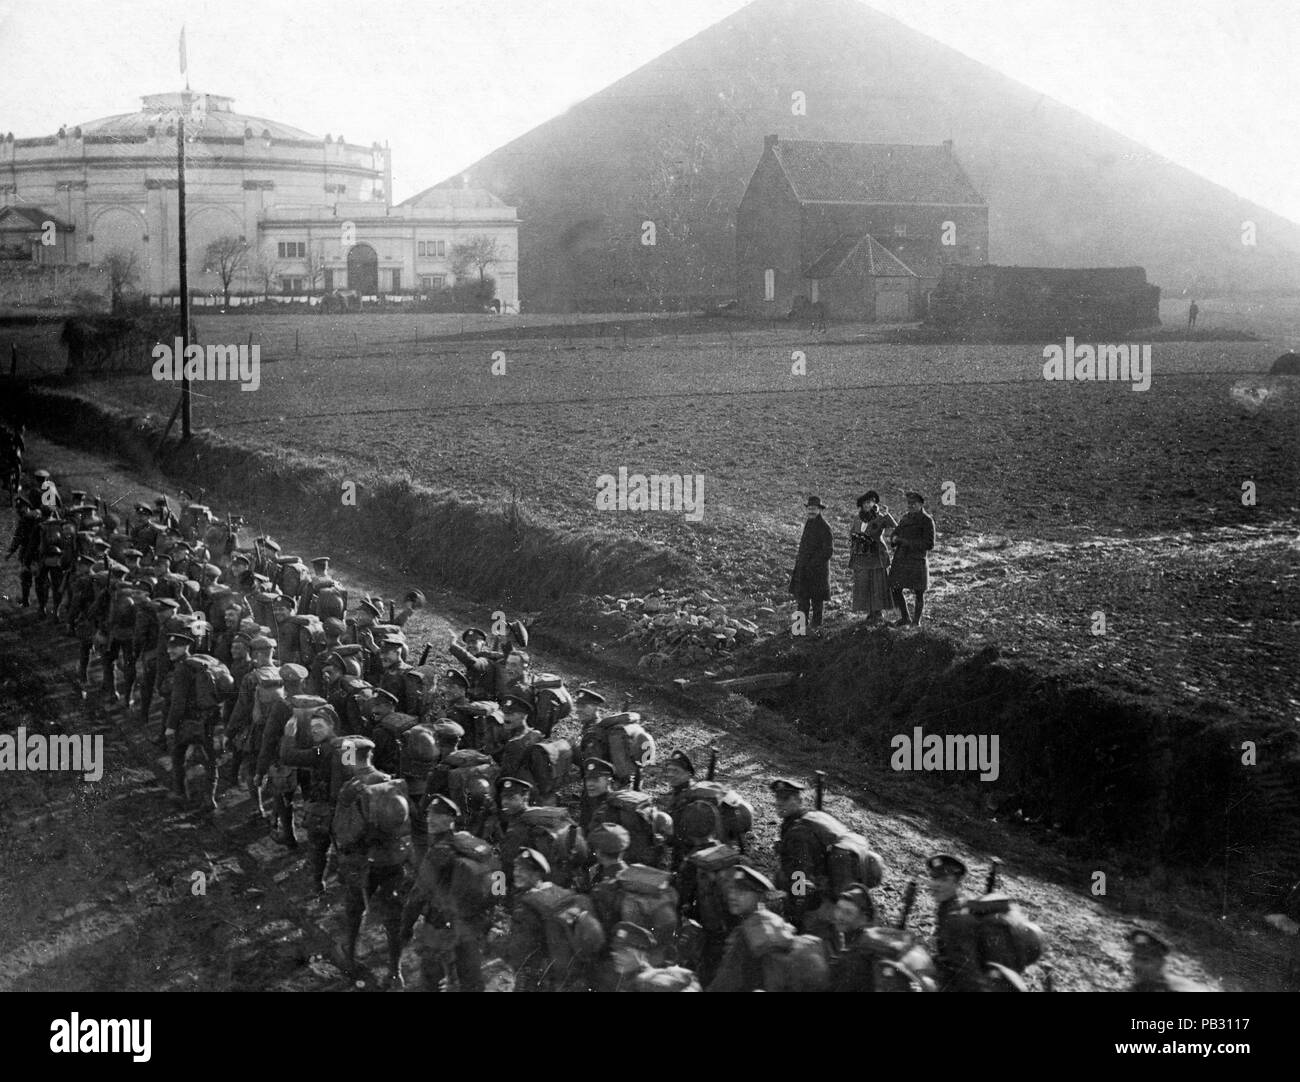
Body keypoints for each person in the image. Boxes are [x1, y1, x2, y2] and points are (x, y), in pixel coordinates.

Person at [848, 491, 896, 624]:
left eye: (870, 502)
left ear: (874, 504)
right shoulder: (858, 519)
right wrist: (854, 543)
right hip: (862, 557)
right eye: (865, 503)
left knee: (877, 584)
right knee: (864, 583)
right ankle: (870, 611)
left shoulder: (880, 517)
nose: (868, 505)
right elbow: (852, 533)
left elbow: (894, 527)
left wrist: (887, 515)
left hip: (876, 557)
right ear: (861, 505)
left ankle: (878, 612)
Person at [888, 491, 935, 627]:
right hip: (902, 559)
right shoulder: (905, 518)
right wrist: (894, 539)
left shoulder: (927, 521)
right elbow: (896, 532)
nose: (910, 506)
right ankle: (905, 618)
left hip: (916, 560)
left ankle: (916, 622)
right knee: (895, 588)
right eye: (909, 504)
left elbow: (929, 544)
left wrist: (904, 541)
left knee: (919, 592)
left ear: (920, 504)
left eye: (913, 504)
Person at [789, 495, 833, 632]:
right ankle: (799, 629)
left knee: (817, 601)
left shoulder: (825, 527)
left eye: (814, 509)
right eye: (809, 509)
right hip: (804, 570)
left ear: (820, 510)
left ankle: (816, 629)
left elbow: (829, 551)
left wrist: (813, 564)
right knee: (802, 600)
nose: (811, 511)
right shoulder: (809, 523)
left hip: (817, 572)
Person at [1127, 928, 1206, 992]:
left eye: (1145, 960)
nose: (1137, 964)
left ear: (1161, 963)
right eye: (1135, 957)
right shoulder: (1137, 988)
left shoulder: (1182, 989)